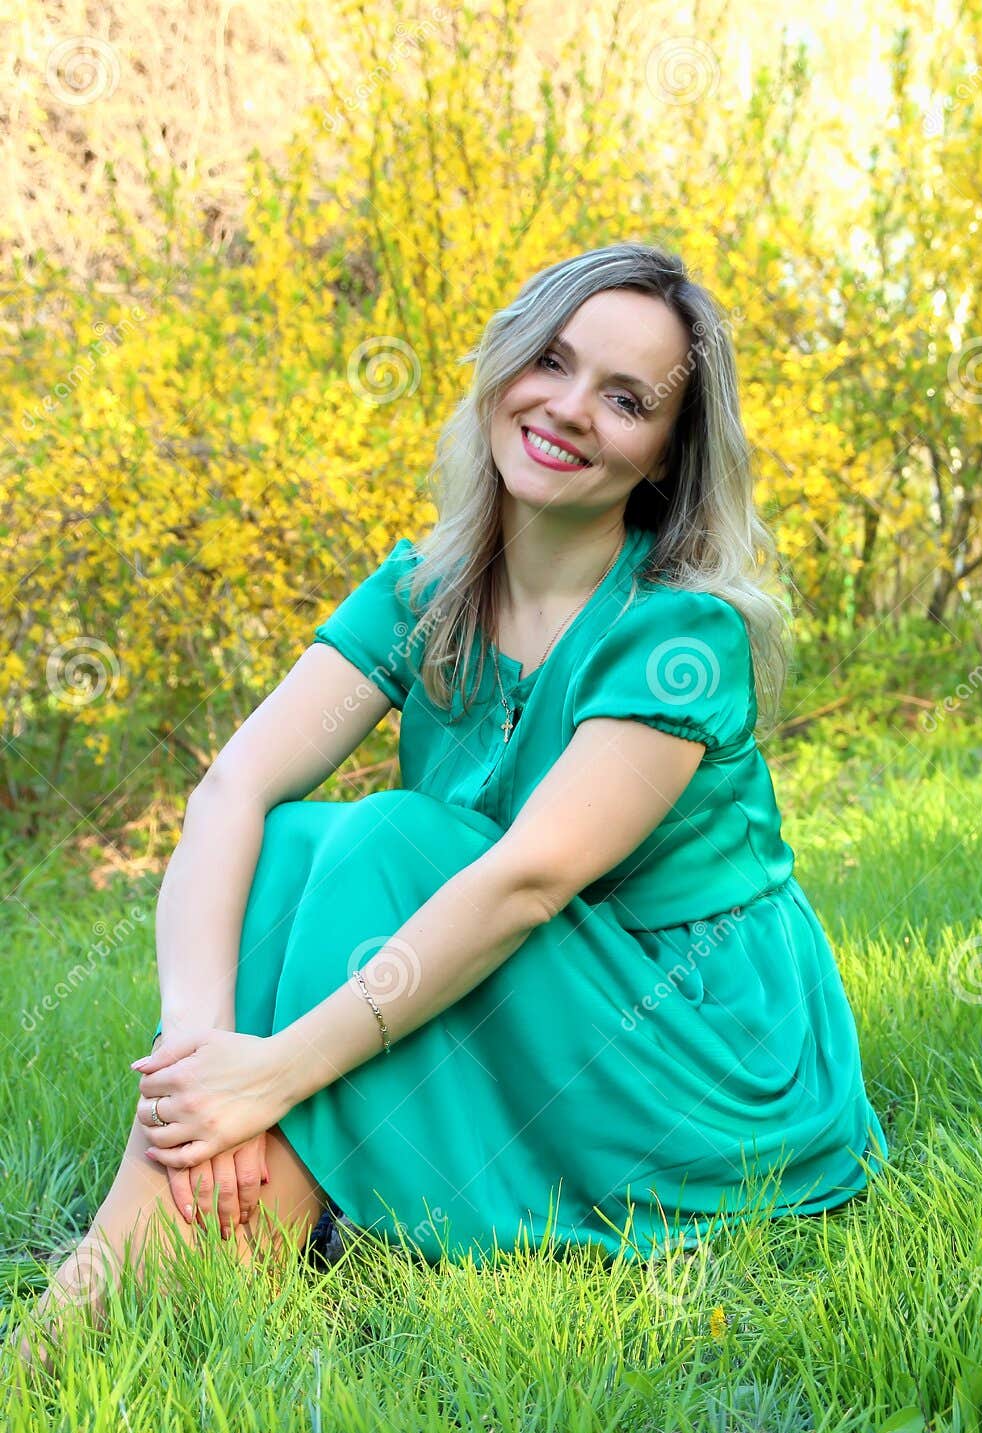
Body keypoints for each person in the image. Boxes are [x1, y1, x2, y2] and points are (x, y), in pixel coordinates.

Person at [14, 242, 888, 1370]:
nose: (568, 408)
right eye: (552, 361)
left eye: (625, 400)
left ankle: (86, 1324)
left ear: (666, 457)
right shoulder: (426, 590)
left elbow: (525, 882)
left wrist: (276, 1071)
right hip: (542, 986)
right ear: (505, 363)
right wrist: (202, 1046)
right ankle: (192, 1263)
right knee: (288, 840)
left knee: (394, 840)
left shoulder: (679, 634)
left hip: (698, 1041)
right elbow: (232, 786)